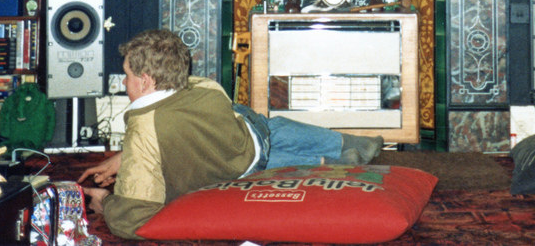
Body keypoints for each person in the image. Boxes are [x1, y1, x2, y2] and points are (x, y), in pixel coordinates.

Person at [78, 29, 383, 239]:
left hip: (242, 167)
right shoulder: (199, 85)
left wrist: (106, 202)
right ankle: (348, 144)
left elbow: (134, 218)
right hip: (248, 132)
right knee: (267, 127)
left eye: (127, 76)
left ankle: (331, 164)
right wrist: (125, 156)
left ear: (145, 81)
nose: (124, 83)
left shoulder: (145, 129)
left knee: (258, 168)